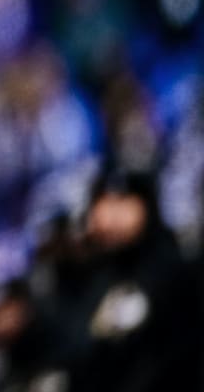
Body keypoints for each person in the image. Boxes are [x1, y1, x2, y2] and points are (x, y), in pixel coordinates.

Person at [59, 163, 204, 392]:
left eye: (121, 203)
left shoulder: (174, 270)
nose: (109, 217)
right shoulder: (90, 274)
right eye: (102, 203)